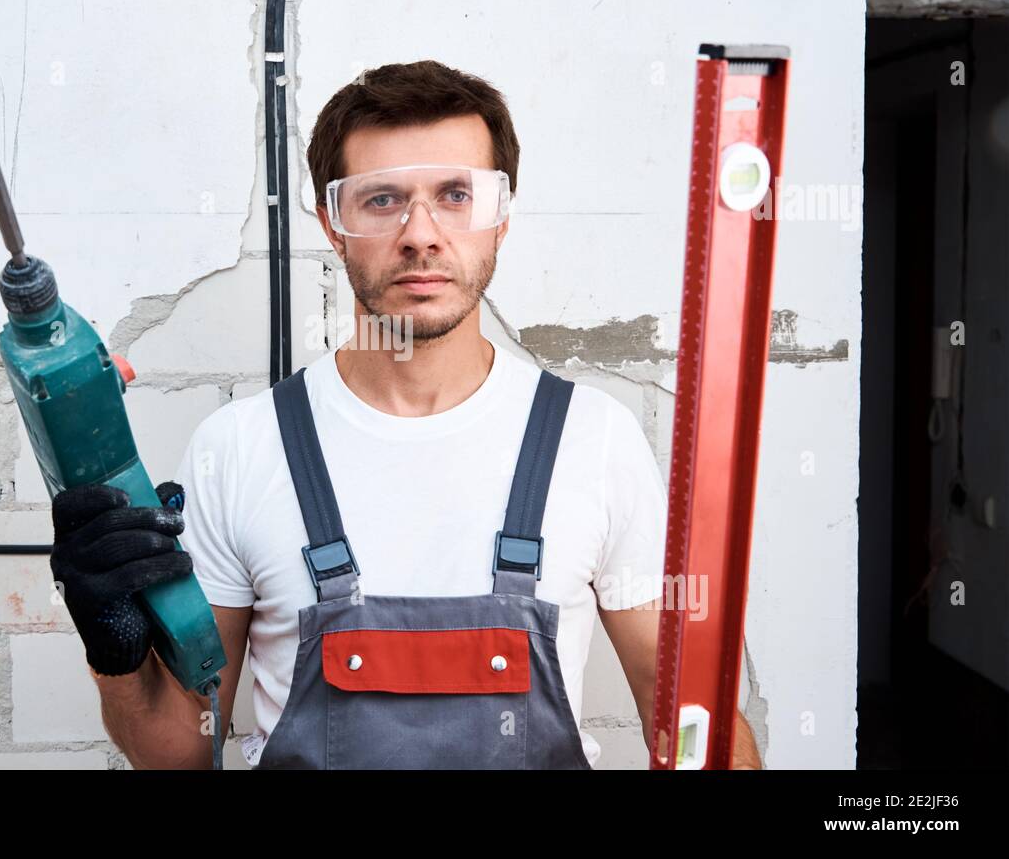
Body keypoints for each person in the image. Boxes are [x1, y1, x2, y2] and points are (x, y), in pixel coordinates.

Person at [50, 59, 762, 769]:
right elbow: (179, 753)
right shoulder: (238, 449)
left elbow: (691, 724)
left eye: (457, 194)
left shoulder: (594, 439)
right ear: (334, 225)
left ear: (501, 217)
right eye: (382, 199)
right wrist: (114, 651)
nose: (421, 234)